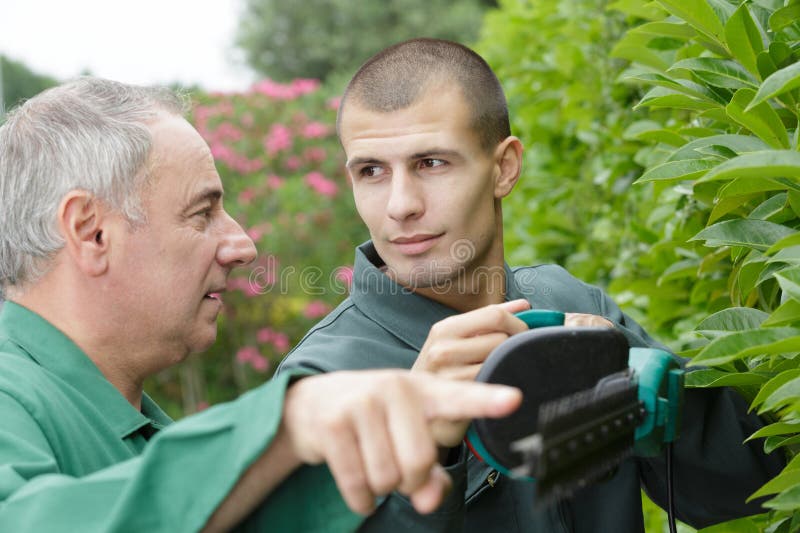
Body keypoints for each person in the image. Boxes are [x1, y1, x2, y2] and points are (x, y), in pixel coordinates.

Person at [277, 38, 785, 532]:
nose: (400, 204)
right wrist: (429, 445)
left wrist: (636, 371)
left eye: (431, 163)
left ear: (504, 168)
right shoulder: (319, 383)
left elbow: (755, 481)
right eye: (371, 171)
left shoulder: (570, 303)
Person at [0, 77, 528, 532]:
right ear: (91, 233)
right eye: (201, 213)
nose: (242, 246)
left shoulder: (143, 429)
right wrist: (285, 424)